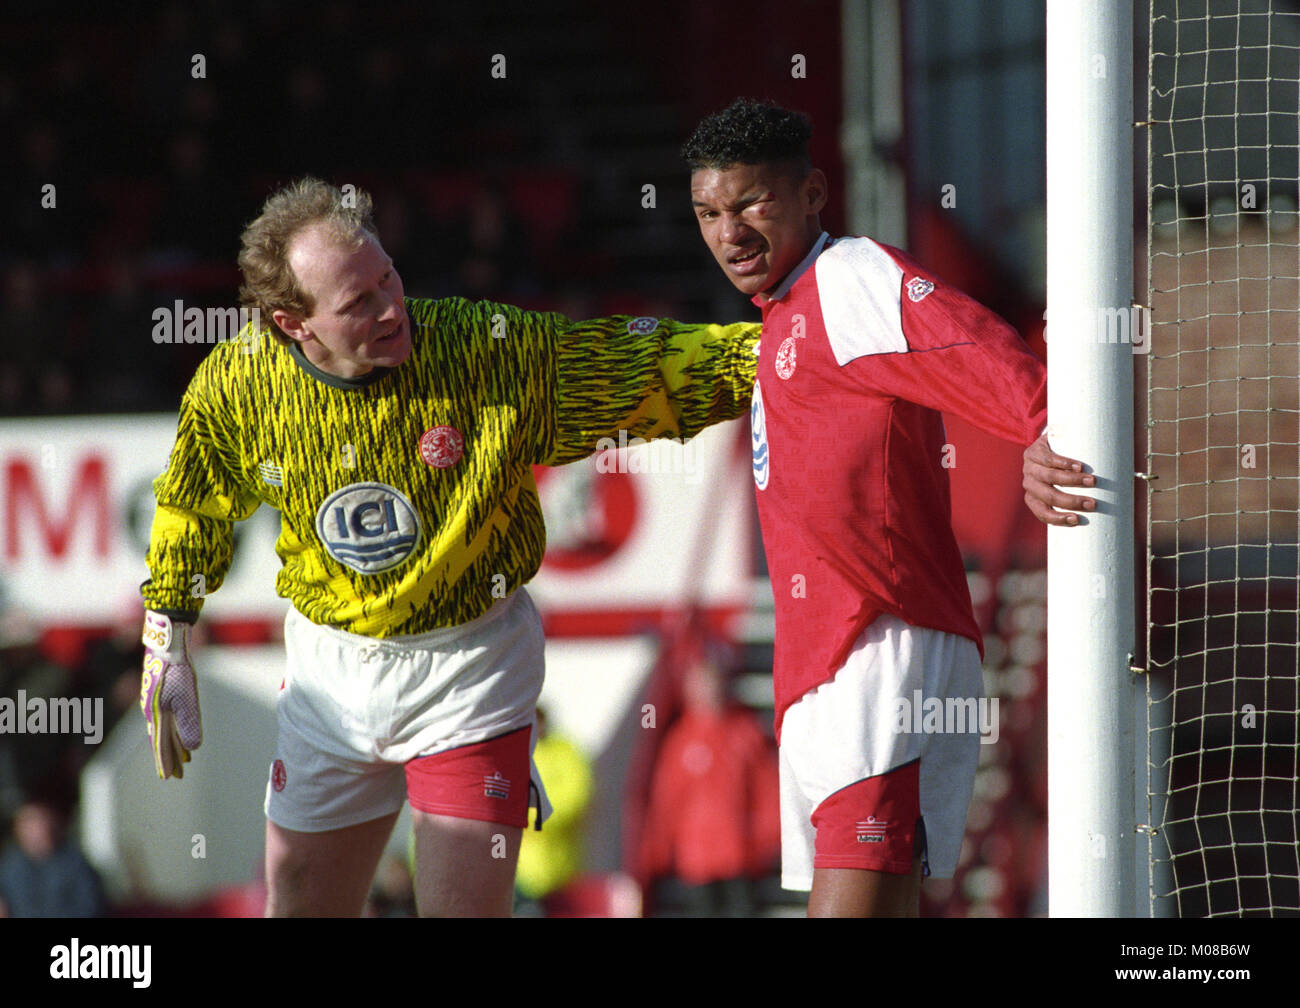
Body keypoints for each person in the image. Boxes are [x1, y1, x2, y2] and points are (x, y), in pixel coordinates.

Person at [139, 177, 759, 917]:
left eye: (387, 277)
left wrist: (768, 355)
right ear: (291, 324)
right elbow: (191, 504)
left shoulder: (478, 346)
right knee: (299, 904)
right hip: (328, 675)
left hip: (471, 668)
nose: (390, 307)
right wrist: (167, 633)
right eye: (358, 303)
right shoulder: (237, 386)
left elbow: (625, 365)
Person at [682, 98, 1091, 918]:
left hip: (877, 648)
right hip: (838, 663)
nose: (730, 233)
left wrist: (1047, 432)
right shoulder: (782, 320)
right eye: (708, 213)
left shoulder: (849, 278)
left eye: (752, 203)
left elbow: (975, 340)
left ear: (813, 193)